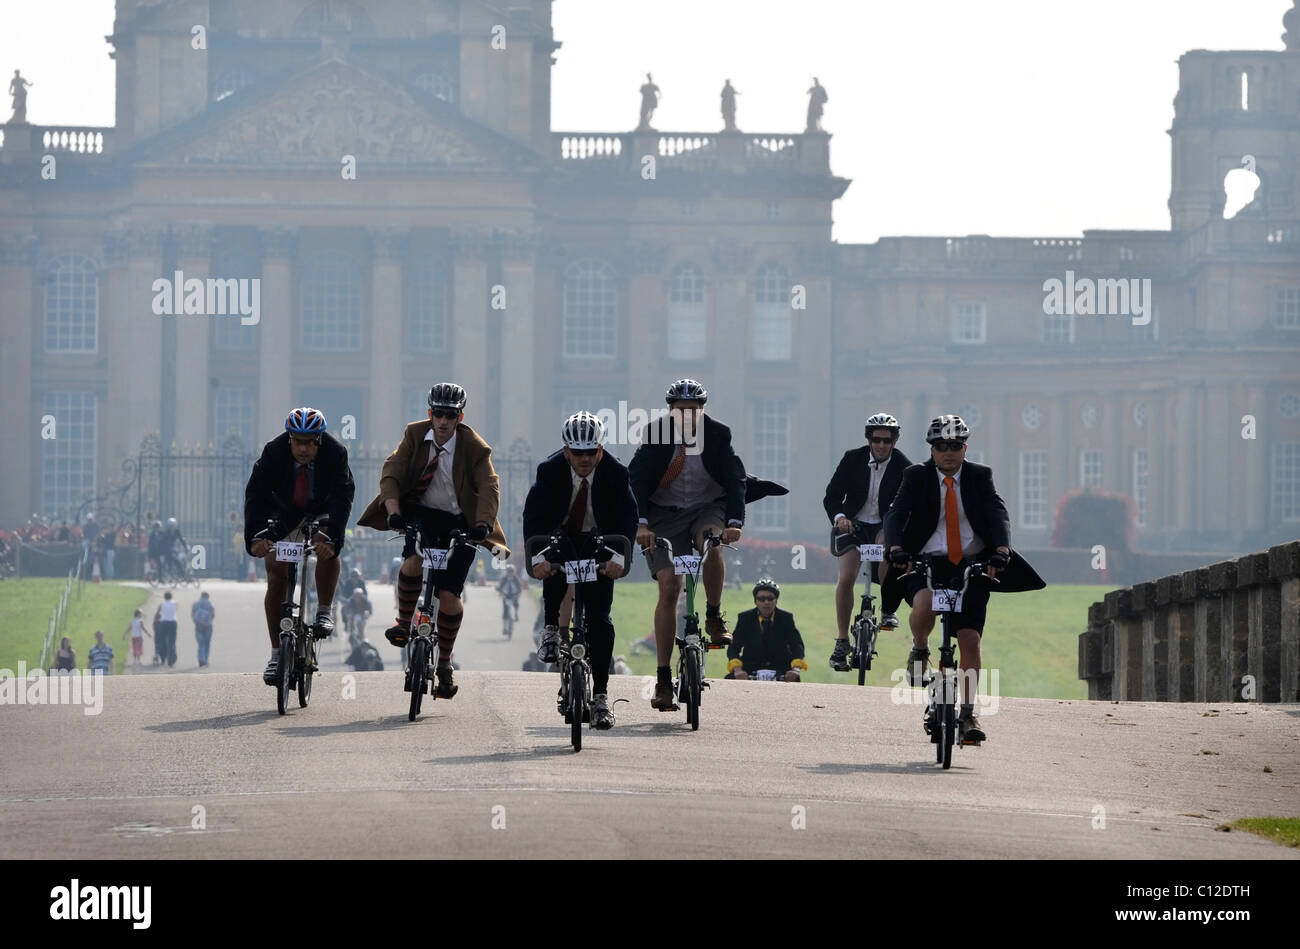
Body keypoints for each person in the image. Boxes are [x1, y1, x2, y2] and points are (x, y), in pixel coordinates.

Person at [885, 414, 1046, 744]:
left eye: (955, 446)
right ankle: (919, 648)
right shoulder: (915, 476)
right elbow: (896, 513)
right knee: (925, 603)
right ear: (931, 449)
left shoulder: (979, 476)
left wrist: (1002, 550)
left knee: (970, 640)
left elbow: (997, 512)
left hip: (971, 565)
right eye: (941, 446)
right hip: (926, 561)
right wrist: (896, 547)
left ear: (965, 448)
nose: (948, 453)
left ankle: (968, 712)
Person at [355, 382, 509, 700]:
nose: (443, 421)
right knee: (411, 562)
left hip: (461, 523)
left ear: (459, 418)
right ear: (430, 413)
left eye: (449, 416)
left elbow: (488, 488)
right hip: (422, 514)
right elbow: (392, 473)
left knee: (449, 598)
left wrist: (481, 525)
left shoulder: (475, 448)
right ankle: (403, 622)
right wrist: (395, 513)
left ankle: (445, 664)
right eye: (438, 414)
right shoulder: (414, 435)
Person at [629, 379, 746, 711]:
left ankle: (712, 616)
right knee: (669, 586)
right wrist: (641, 524)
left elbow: (735, 478)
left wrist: (734, 522)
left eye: (693, 411)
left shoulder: (718, 434)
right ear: (671, 412)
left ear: (701, 412)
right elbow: (636, 480)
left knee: (712, 543)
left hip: (706, 509)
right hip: (664, 515)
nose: (687, 417)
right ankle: (664, 680)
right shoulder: (655, 434)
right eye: (680, 411)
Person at [524, 411, 639, 730]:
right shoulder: (549, 471)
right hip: (561, 537)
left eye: (592, 452)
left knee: (600, 620)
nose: (585, 459)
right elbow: (533, 516)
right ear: (566, 451)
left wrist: (619, 556)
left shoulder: (616, 473)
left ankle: (601, 697)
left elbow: (628, 518)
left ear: (601, 449)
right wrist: (537, 557)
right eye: (578, 453)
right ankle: (550, 628)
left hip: (600, 540)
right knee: (554, 557)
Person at [245, 407, 356, 686]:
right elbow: (255, 495)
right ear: (289, 438)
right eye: (298, 442)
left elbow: (343, 496)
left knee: (325, 548)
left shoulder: (336, 453)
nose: (303, 449)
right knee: (275, 572)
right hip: (284, 513)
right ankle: (275, 655)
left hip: (322, 508)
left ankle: (323, 611)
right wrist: (256, 537)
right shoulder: (273, 452)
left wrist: (333, 537)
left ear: (319, 440)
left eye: (309, 443)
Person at [824, 412, 912, 671]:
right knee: (847, 577)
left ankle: (887, 610)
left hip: (885, 524)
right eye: (876, 440)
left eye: (887, 440)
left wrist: (895, 528)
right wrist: (840, 517)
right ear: (869, 440)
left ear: (894, 441)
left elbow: (908, 506)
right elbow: (832, 497)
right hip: (855, 524)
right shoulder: (853, 459)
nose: (881, 445)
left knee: (887, 548)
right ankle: (842, 641)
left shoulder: (905, 467)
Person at [725, 579, 807, 681]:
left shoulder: (786, 618)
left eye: (770, 598)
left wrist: (795, 669)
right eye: (761, 599)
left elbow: (797, 646)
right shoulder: (745, 618)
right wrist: (737, 670)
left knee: (795, 682)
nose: (766, 602)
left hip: (781, 669)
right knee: (729, 680)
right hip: (750, 668)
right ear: (755, 601)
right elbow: (733, 647)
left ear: (776, 600)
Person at [153, 590, 179, 667]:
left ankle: (163, 657)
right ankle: (171, 659)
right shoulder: (175, 603)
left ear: (164, 597)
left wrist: (155, 621)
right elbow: (175, 609)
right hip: (173, 622)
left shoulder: (161, 604)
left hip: (163, 623)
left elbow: (157, 614)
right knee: (172, 641)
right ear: (171, 596)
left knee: (162, 641)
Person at [191, 591, 215, 667]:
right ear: (208, 596)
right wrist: (208, 622)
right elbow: (213, 614)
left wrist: (196, 623)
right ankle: (205, 659)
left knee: (201, 643)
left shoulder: (195, 604)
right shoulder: (210, 604)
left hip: (198, 626)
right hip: (208, 626)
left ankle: (201, 659)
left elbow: (192, 615)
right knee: (207, 643)